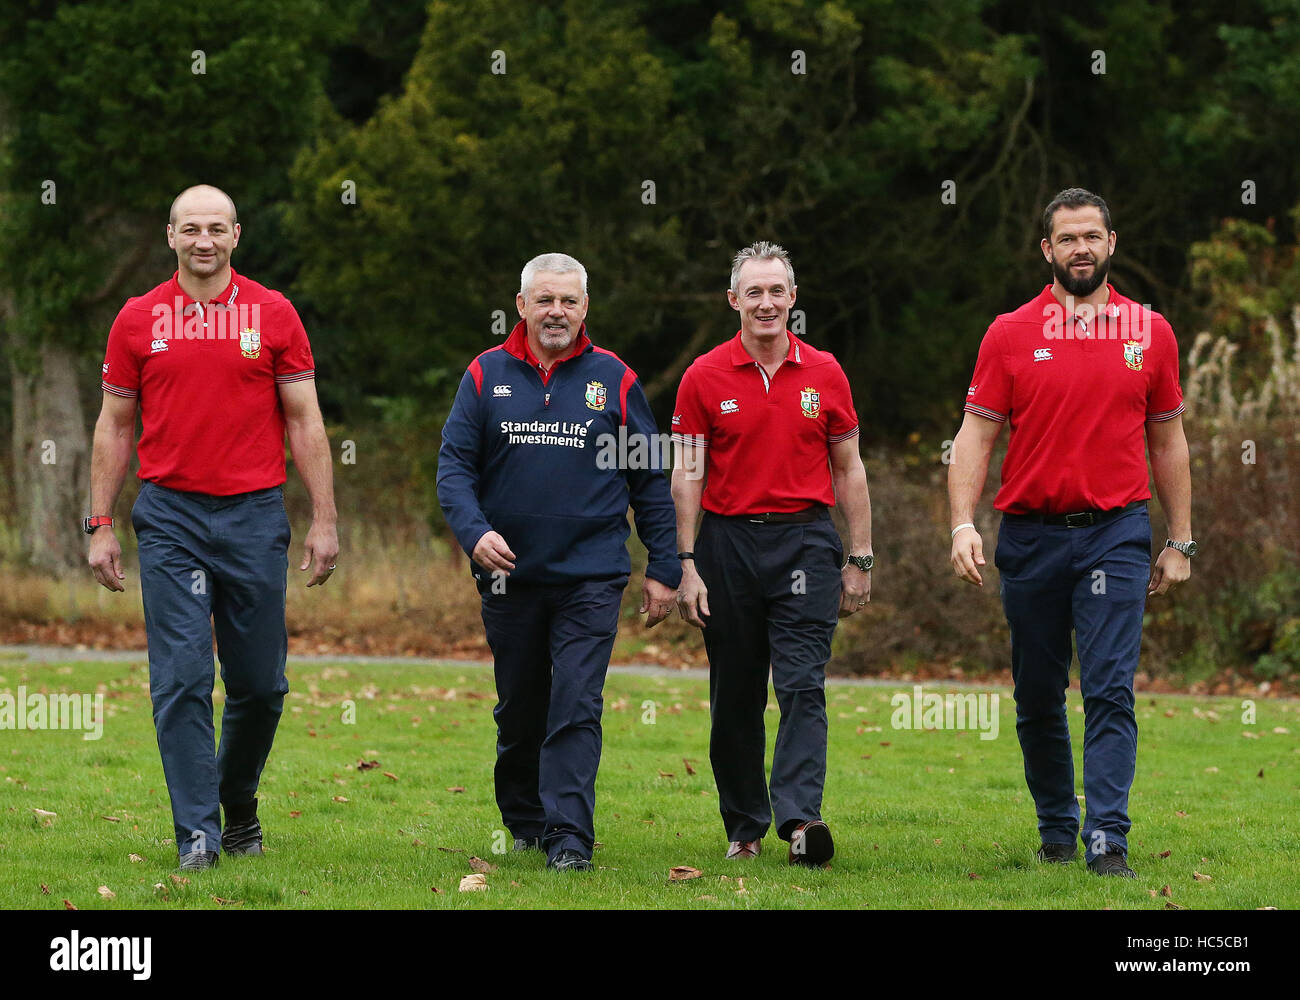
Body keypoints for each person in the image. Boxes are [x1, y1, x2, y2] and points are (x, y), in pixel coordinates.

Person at [87, 184, 339, 871]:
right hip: (170, 517)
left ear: (236, 236)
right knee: (183, 677)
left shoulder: (274, 314)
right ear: (170, 236)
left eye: (216, 229)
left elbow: (304, 421)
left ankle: (237, 804)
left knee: (261, 686)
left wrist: (324, 518)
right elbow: (113, 425)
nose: (204, 240)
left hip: (255, 514)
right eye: (190, 228)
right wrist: (100, 523)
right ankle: (196, 834)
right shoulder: (139, 319)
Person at [949, 187, 1193, 878]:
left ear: (1111, 244)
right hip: (1029, 536)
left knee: (1110, 686)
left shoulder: (1152, 332)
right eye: (1067, 238)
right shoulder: (1008, 333)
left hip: (1116, 531)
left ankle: (1107, 835)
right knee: (1036, 692)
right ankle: (1058, 825)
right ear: (1047, 251)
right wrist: (963, 523)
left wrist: (1179, 539)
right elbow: (975, 436)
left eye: (1092, 236)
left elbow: (1169, 440)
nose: (1080, 248)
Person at [436, 252, 680, 873]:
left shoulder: (616, 380)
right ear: (520, 306)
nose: (556, 312)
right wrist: (474, 532)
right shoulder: (484, 375)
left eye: (569, 301)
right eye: (545, 300)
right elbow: (455, 468)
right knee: (520, 705)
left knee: (575, 702)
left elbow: (650, 479)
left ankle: (570, 839)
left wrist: (664, 565)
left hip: (592, 577)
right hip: (507, 576)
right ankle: (524, 819)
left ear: (585, 308)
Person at [671, 241, 873, 868]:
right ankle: (744, 826)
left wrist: (860, 557)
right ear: (734, 299)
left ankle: (800, 823)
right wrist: (686, 564)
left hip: (806, 541)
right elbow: (687, 475)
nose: (766, 303)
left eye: (776, 291)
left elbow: (849, 467)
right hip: (727, 544)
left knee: (802, 686)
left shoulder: (826, 372)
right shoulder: (704, 375)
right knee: (734, 694)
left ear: (793, 298)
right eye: (752, 292)